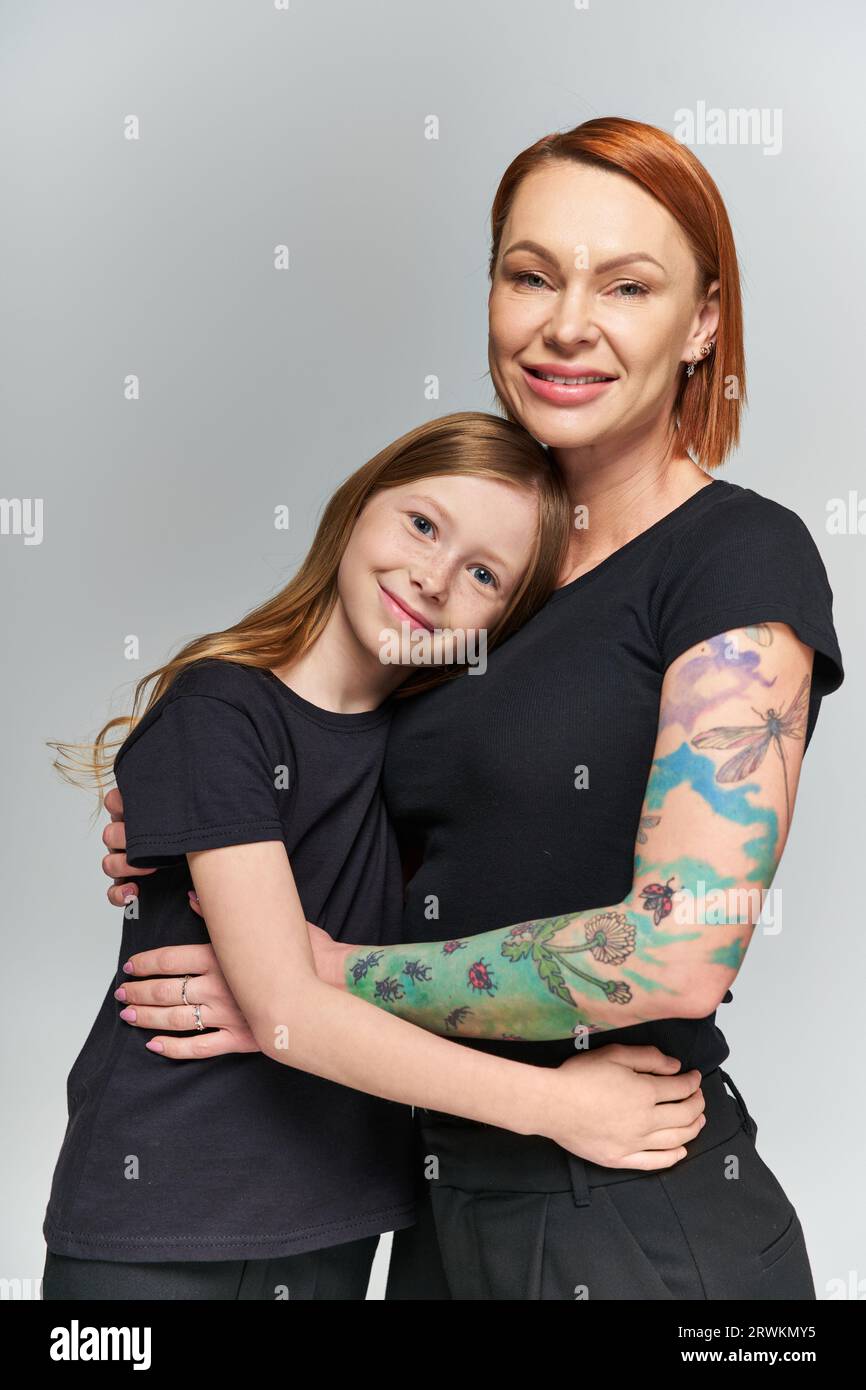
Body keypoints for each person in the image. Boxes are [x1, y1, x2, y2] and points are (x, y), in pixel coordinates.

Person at [102, 118, 844, 1301]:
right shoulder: (479, 571)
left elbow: (675, 949)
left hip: (626, 1203)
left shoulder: (737, 558)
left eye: (627, 285)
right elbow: (355, 779)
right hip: (438, 1199)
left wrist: (315, 980)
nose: (565, 322)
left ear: (702, 322)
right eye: (529, 273)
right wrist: (199, 821)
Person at [42, 411, 704, 1302]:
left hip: (340, 1223)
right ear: (360, 504)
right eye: (423, 524)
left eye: (482, 575)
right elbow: (288, 1007)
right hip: (163, 1220)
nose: (433, 579)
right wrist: (563, 1109)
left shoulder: (423, 758)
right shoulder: (221, 710)